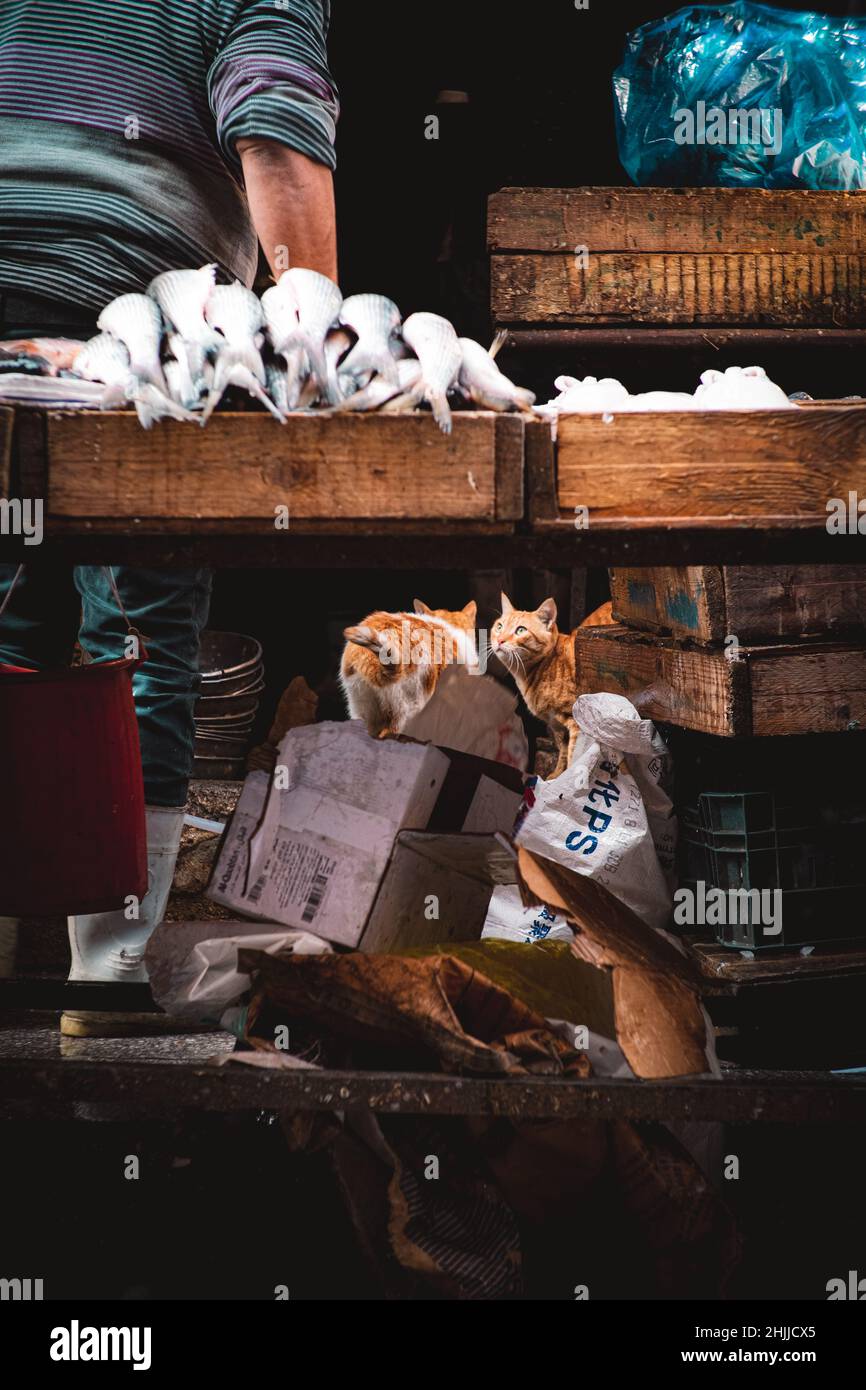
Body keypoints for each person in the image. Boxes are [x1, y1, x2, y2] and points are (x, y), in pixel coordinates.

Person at [0, 0, 339, 1026]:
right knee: (137, 630)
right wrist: (316, 328)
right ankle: (103, 978)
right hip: (137, 318)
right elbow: (274, 117)